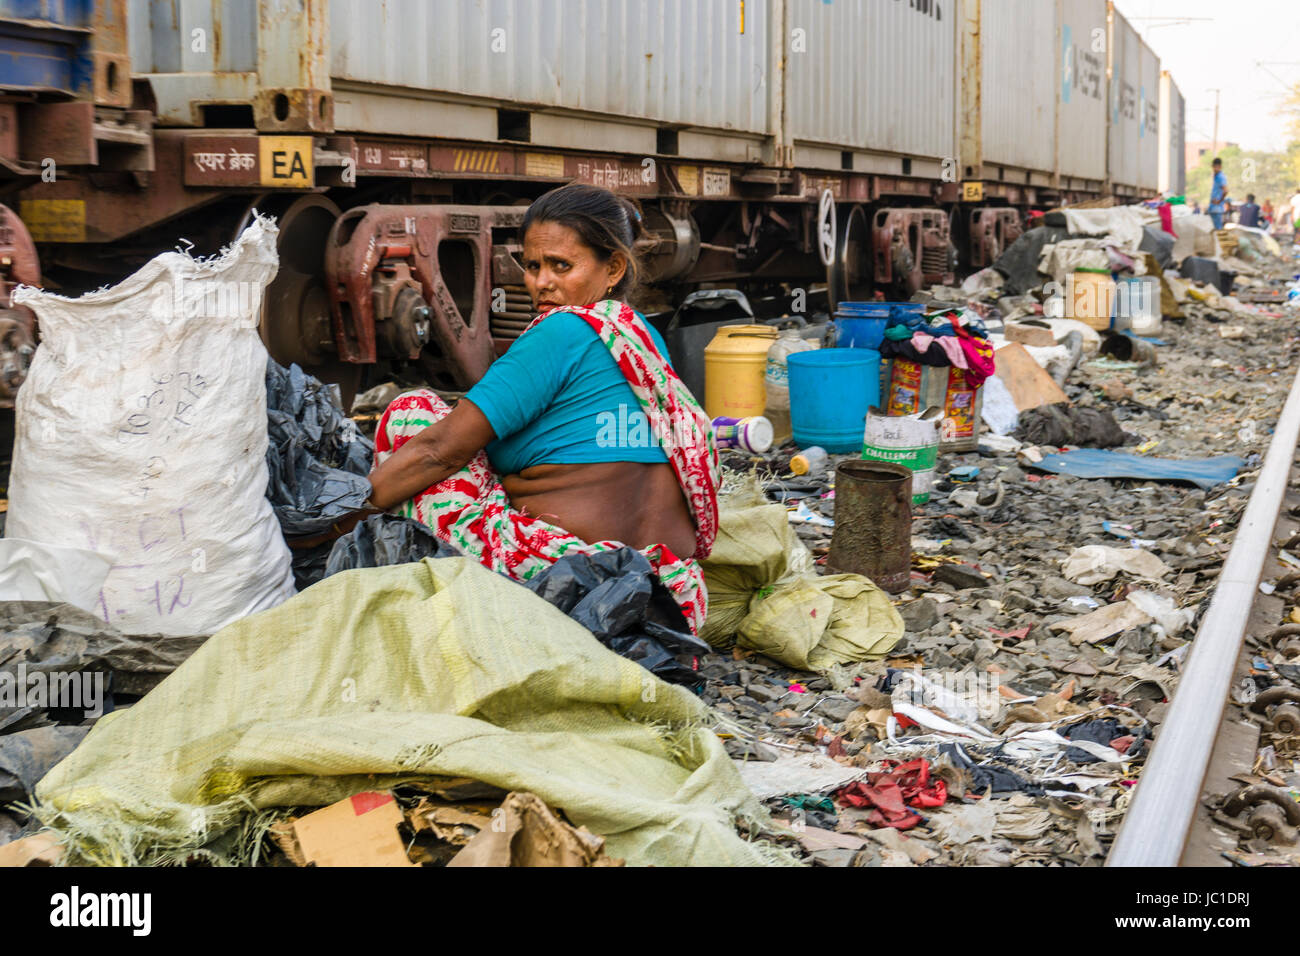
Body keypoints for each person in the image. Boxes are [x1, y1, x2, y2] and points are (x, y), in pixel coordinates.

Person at [356, 184, 719, 632]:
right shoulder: (641, 339)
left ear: (614, 268)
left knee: (415, 411)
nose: (540, 282)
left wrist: (336, 521)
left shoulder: (562, 330)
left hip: (574, 588)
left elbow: (439, 450)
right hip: (674, 601)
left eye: (560, 266)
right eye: (532, 265)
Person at [1208, 157, 1228, 230]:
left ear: (1220, 167)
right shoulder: (1216, 176)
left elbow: (1225, 191)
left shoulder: (1221, 177)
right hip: (1213, 207)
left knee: (1218, 229)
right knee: (1214, 229)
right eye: (1214, 167)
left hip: (1217, 207)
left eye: (1216, 167)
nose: (1215, 169)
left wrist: (1219, 201)